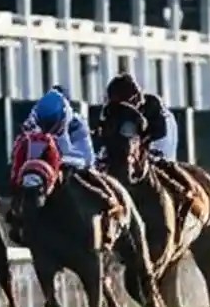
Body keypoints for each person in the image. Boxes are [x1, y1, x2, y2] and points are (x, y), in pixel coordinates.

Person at [100, 73, 198, 216]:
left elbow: (161, 132)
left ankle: (184, 193)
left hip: (159, 144)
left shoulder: (153, 104)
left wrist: (143, 144)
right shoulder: (112, 109)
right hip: (131, 149)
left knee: (161, 164)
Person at [21, 87, 120, 215]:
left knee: (90, 180)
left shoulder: (77, 124)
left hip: (71, 169)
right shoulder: (33, 120)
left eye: (52, 124)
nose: (48, 130)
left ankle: (109, 202)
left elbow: (87, 158)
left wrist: (61, 160)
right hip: (43, 169)